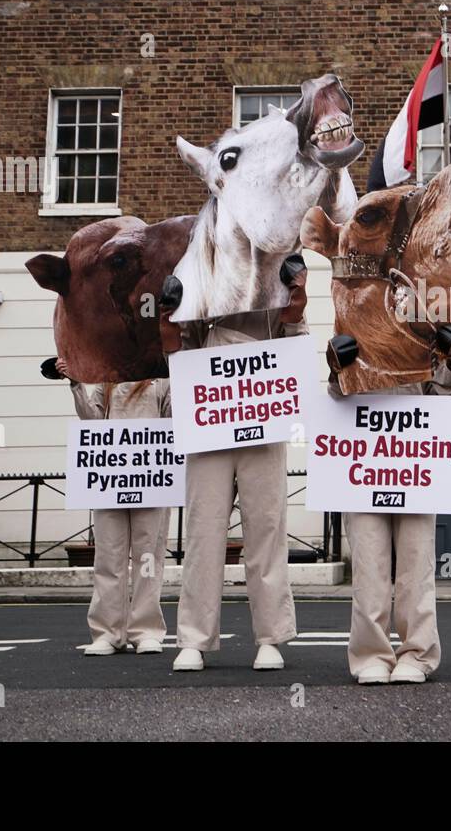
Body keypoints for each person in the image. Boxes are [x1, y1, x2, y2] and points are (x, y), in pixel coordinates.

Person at [169, 257, 309, 673]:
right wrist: (170, 320)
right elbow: (186, 349)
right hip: (211, 417)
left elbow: (297, 338)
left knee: (266, 528)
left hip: (262, 416)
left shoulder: (278, 274)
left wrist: (296, 302)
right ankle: (194, 638)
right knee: (203, 528)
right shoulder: (201, 273)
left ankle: (271, 637)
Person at [344, 360, 451, 685]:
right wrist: (336, 371)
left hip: (414, 456)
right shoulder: (353, 320)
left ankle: (417, 653)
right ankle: (371, 654)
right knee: (368, 563)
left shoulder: (422, 330)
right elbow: (335, 399)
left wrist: (449, 368)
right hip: (363, 456)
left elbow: (440, 401)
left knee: (416, 559)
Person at [46, 357, 171, 657]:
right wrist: (75, 382)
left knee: (148, 556)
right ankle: (107, 632)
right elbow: (91, 420)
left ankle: (146, 631)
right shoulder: (107, 377)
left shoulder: (164, 376)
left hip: (151, 476)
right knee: (109, 554)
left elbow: (174, 420)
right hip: (111, 476)